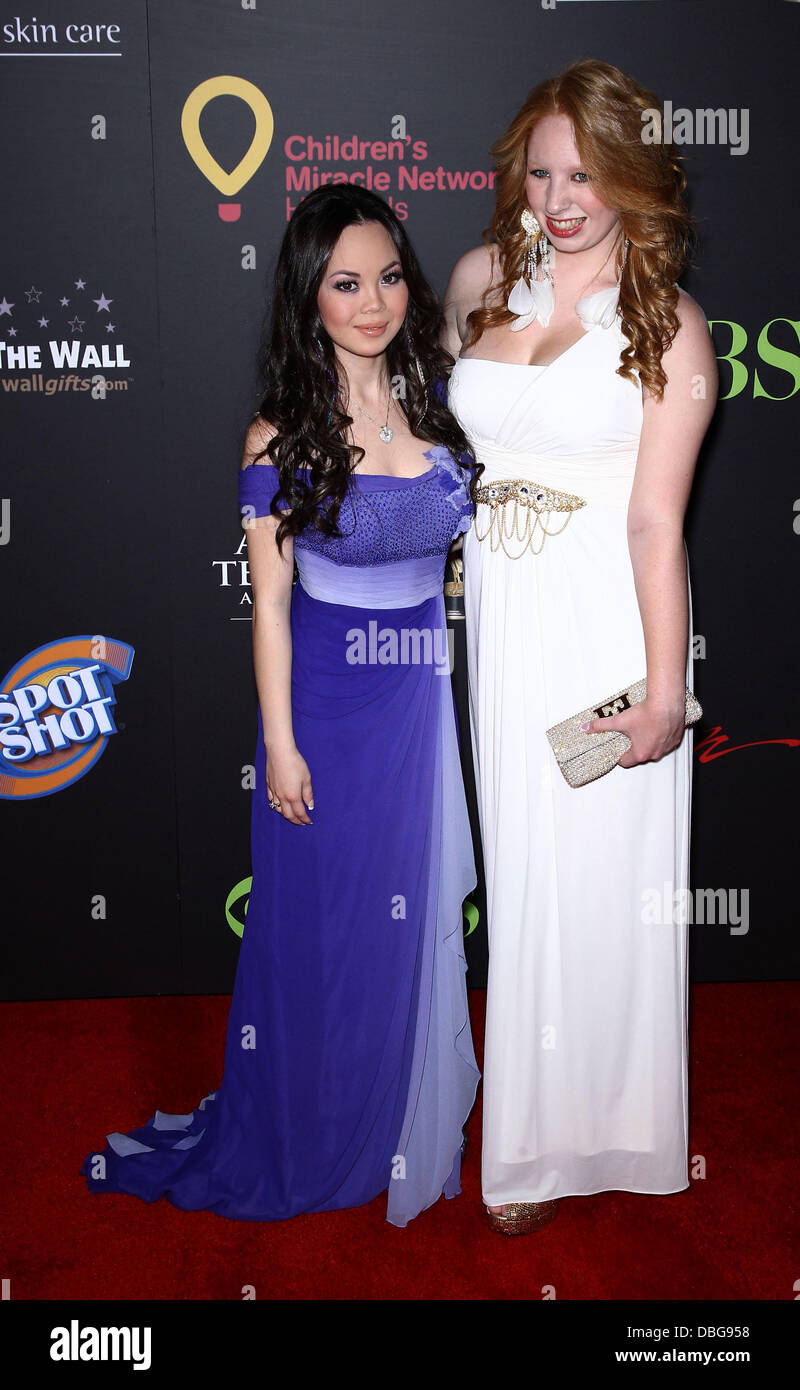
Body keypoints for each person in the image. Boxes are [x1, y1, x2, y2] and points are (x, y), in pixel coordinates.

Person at [80, 184, 482, 1227]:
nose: (372, 301)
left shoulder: (440, 406)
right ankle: (305, 1127)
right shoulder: (276, 437)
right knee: (317, 936)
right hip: (325, 711)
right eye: (344, 283)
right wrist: (281, 744)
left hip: (415, 712)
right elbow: (267, 611)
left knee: (399, 932)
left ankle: (393, 1117)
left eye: (388, 276)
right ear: (306, 298)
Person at [442, 59, 717, 1234]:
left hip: (606, 623)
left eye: (586, 175)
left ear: (629, 181)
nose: (559, 198)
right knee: (528, 877)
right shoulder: (477, 281)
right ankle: (530, 1137)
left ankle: (606, 1134)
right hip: (506, 620)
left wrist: (666, 694)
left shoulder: (670, 325)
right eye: (542, 171)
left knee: (606, 883)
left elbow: (657, 521)